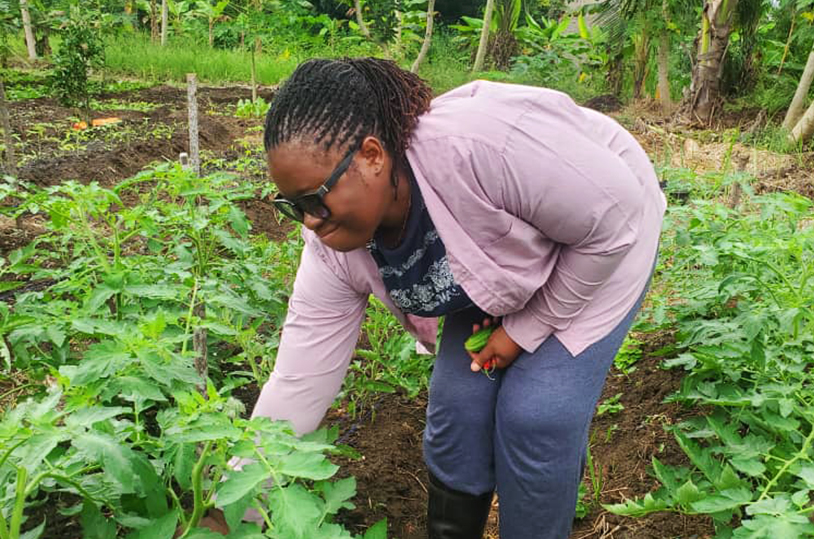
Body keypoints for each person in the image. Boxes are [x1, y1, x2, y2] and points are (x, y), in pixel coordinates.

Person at [215, 57, 665, 539]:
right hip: (498, 263)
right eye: (293, 206)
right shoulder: (334, 249)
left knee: (537, 415)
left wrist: (522, 331)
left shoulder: (478, 149)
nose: (309, 220)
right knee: (458, 410)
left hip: (597, 241)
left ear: (371, 156)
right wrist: (228, 507)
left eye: (315, 198)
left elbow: (612, 223)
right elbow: (297, 384)